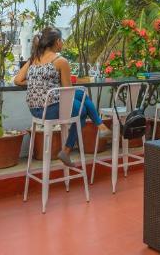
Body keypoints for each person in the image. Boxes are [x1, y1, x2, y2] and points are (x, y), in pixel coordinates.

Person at [13, 27, 110, 169]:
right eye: (62, 40)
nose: (62, 43)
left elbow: (17, 80)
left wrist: (36, 82)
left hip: (35, 110)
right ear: (57, 41)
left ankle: (100, 127)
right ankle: (70, 147)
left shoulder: (34, 59)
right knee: (82, 110)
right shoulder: (60, 61)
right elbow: (67, 91)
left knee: (81, 95)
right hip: (50, 109)